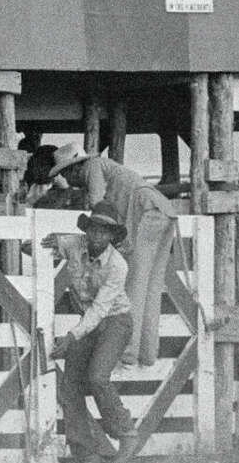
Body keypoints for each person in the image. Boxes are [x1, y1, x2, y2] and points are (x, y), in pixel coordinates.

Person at [49, 140, 179, 370]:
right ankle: (147, 354)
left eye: (66, 174)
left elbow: (97, 206)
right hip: (164, 211)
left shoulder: (93, 167)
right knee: (151, 286)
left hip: (146, 210)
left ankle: (127, 354)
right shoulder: (107, 167)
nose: (68, 181)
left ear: (75, 167)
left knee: (134, 285)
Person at [46, 201, 138, 463]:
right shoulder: (74, 244)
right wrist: (37, 245)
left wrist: (72, 336)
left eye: (104, 231)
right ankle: (84, 452)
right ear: (87, 231)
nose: (98, 236)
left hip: (115, 321)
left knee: (98, 376)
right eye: (94, 229)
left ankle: (125, 431)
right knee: (70, 382)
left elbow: (100, 309)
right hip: (87, 321)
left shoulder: (118, 265)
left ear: (112, 236)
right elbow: (39, 245)